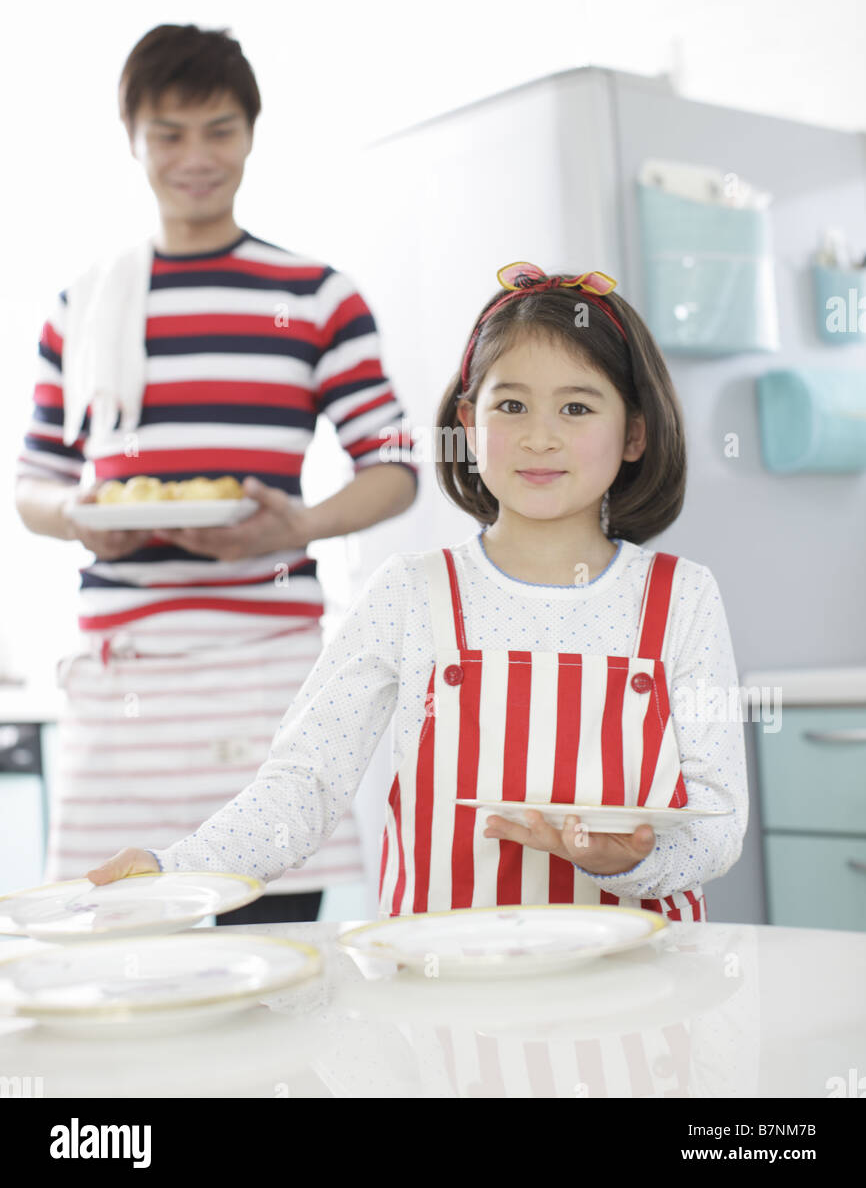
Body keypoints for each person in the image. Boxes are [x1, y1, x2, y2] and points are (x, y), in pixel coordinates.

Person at [86, 263, 748, 921]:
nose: (540, 436)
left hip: (641, 999)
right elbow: (303, 790)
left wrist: (631, 861)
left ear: (635, 432)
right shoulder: (410, 593)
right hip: (449, 1001)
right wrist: (174, 868)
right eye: (510, 405)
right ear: (466, 420)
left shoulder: (681, 598)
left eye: (576, 407)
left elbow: (717, 825)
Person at [14, 23, 417, 924]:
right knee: (111, 952)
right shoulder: (83, 305)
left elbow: (394, 466)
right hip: (126, 681)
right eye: (169, 133)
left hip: (263, 675)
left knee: (269, 945)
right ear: (134, 140)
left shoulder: (315, 296)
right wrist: (78, 512)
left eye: (220, 130)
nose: (196, 157)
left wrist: (298, 528)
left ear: (251, 133)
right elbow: (32, 486)